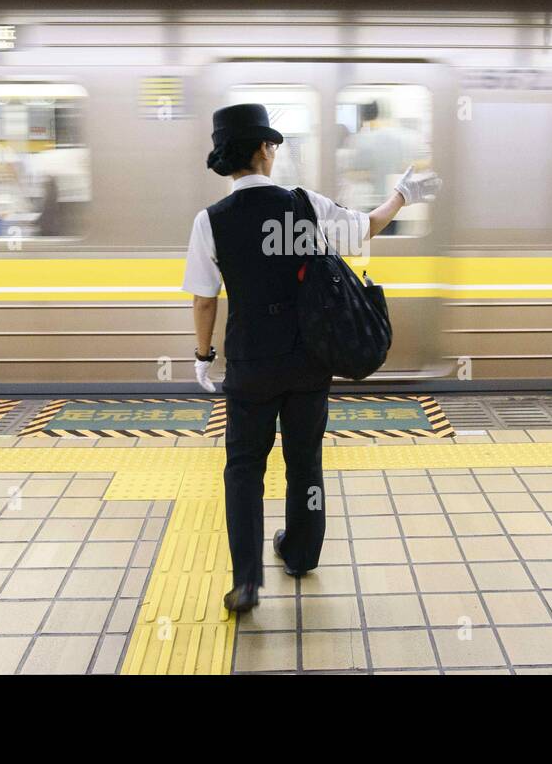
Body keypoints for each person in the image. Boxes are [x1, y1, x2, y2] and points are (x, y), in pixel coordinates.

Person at [183, 103, 439, 613]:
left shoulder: (210, 220)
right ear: (262, 150)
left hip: (251, 362)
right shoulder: (304, 205)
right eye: (272, 145)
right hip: (307, 359)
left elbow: (204, 298)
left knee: (243, 468)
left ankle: (248, 580)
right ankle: (300, 553)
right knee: (305, 461)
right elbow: (365, 228)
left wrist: (202, 355)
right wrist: (402, 197)